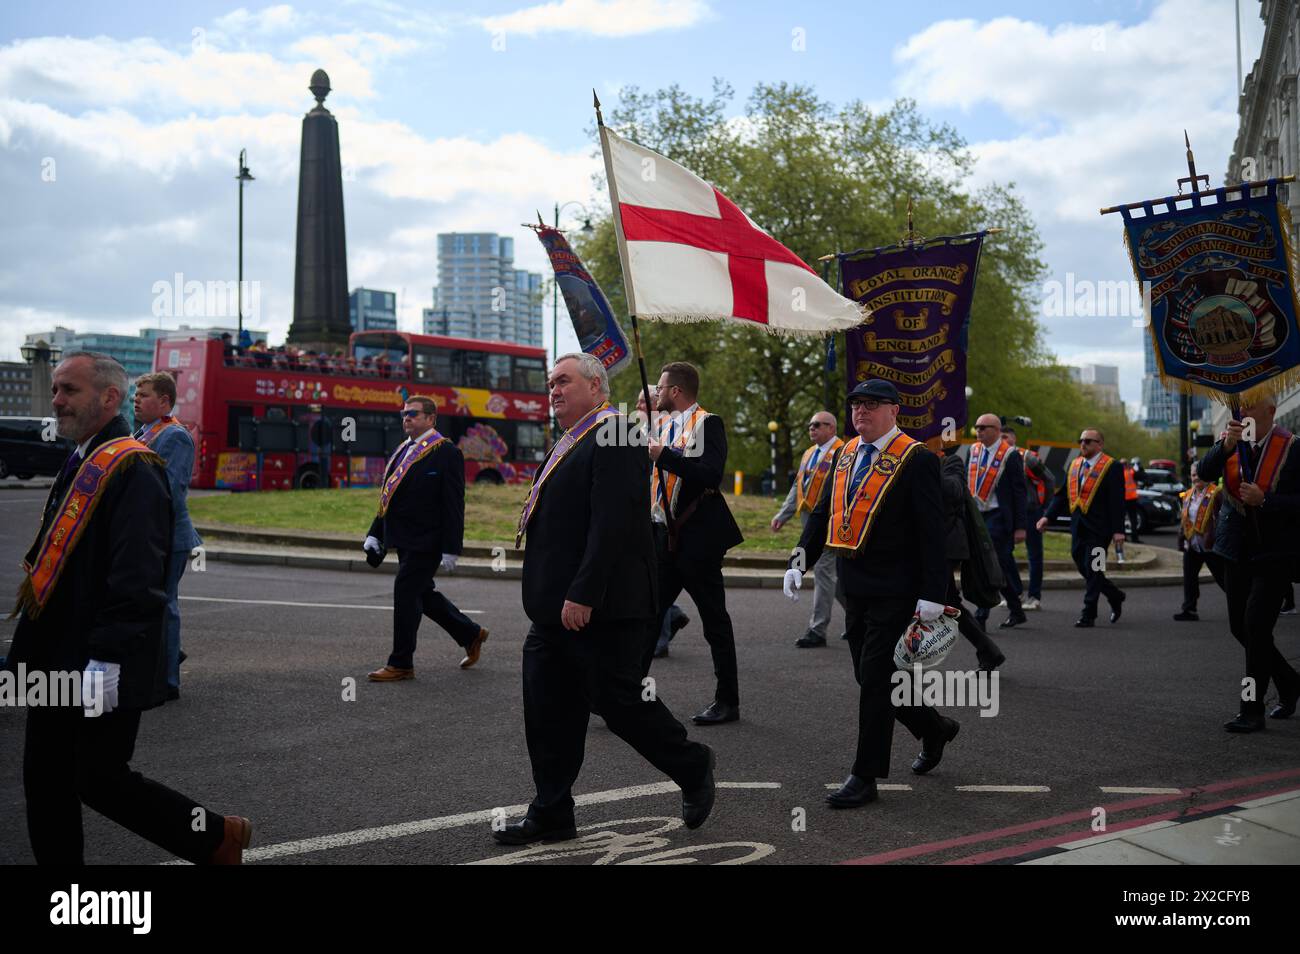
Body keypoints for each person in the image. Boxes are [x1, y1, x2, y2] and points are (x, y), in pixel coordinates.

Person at [4, 352, 251, 864]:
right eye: (55, 389)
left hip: (96, 657)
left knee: (98, 779)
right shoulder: (85, 455)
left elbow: (138, 576)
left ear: (107, 397)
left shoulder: (132, 466)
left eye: (69, 390)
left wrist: (106, 658)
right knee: (47, 779)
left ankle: (214, 837)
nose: (56, 401)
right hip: (58, 652)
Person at [496, 353, 715, 845]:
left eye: (564, 381)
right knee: (548, 710)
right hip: (552, 611)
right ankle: (552, 811)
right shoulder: (573, 440)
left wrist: (583, 591)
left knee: (619, 704)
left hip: (601, 607)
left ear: (596, 387)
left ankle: (693, 764)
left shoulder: (617, 434)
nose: (553, 390)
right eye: (550, 383)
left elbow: (612, 521)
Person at [784, 379, 957, 809]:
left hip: (897, 589)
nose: (860, 412)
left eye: (871, 405)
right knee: (873, 677)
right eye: (856, 405)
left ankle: (865, 776)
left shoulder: (915, 459)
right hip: (855, 587)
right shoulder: (845, 453)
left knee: (875, 681)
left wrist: (934, 592)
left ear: (894, 411)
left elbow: (932, 531)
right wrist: (799, 559)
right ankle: (934, 728)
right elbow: (824, 512)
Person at [645, 361, 744, 725]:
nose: (655, 393)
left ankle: (727, 700)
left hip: (697, 540)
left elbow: (710, 475)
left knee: (714, 621)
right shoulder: (661, 425)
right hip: (663, 539)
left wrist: (664, 456)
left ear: (675, 392)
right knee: (647, 617)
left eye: (660, 387)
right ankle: (627, 696)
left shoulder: (707, 423)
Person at [363, 396, 487, 681]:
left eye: (413, 414)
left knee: (406, 592)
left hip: (428, 540)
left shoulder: (446, 453)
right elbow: (389, 497)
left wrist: (451, 548)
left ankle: (401, 663)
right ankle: (470, 633)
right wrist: (375, 532)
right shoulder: (403, 450)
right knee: (423, 595)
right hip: (403, 538)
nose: (406, 418)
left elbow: (454, 504)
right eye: (404, 413)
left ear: (431, 419)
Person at [1197, 399, 1300, 730]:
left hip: (1274, 551)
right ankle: (1288, 681)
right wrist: (1226, 445)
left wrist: (1265, 500)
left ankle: (1251, 709)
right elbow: (1204, 472)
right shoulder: (1232, 442)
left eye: (1252, 407)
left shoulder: (1293, 447)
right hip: (1235, 548)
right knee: (1239, 627)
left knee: (1256, 626)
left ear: (1271, 411)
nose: (1243, 414)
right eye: (1239, 409)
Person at [132, 372, 203, 700]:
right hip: (151, 534)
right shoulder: (144, 432)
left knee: (165, 605)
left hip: (167, 536)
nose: (136, 399)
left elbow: (170, 490)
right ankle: (166, 657)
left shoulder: (173, 436)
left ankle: (168, 680)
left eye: (144, 395)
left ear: (164, 401)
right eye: (135, 394)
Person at [771, 410, 848, 648]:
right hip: (810, 523)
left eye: (817, 425)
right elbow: (798, 487)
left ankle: (817, 629)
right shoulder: (809, 453)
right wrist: (783, 515)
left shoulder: (844, 452)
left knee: (824, 573)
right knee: (835, 577)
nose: (811, 429)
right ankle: (860, 617)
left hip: (833, 523)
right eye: (810, 425)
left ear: (832, 428)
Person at [1036, 427, 1127, 628]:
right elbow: (1062, 496)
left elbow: (1117, 501)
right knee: (1082, 564)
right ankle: (1115, 594)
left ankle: (1089, 613)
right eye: (1081, 440)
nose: (1083, 444)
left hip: (1101, 529)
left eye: (1088, 441)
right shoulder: (1075, 465)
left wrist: (1118, 530)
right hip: (1078, 526)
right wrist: (1047, 517)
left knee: (1094, 568)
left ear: (1100, 444)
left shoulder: (1111, 466)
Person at [634, 386, 691, 658]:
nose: (640, 406)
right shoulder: (638, 431)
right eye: (637, 403)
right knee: (645, 578)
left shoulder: (669, 432)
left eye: (646, 402)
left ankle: (660, 638)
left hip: (662, 517)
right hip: (641, 512)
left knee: (655, 580)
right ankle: (675, 614)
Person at [941, 444, 1005, 670]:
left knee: (945, 600)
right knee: (945, 601)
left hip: (945, 544)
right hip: (916, 543)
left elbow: (954, 491)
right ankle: (988, 649)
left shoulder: (950, 460)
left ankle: (987, 649)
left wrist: (926, 468)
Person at [968, 413, 1028, 629]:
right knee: (1000, 566)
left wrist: (1021, 526)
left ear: (996, 430)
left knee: (989, 564)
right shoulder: (973, 451)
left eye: (983, 427)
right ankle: (1016, 608)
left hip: (999, 518)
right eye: (977, 427)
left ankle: (981, 614)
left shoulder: (1010, 455)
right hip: (977, 516)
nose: (979, 431)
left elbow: (1019, 492)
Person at [1003, 426, 1053, 610]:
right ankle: (1015, 592)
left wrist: (1044, 508)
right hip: (1009, 513)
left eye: (1005, 436)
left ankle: (1034, 597)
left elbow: (1049, 479)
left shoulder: (1027, 457)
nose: (1002, 440)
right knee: (1004, 553)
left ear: (1014, 439)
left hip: (1031, 511)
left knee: (1034, 554)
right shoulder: (996, 459)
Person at [1174, 461, 1225, 622]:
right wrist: (1182, 538)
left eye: (1200, 474)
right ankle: (1189, 609)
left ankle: (1243, 603)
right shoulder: (1188, 494)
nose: (1196, 478)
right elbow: (1185, 519)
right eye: (1194, 474)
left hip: (1211, 546)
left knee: (1224, 579)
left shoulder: (1217, 493)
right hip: (1193, 544)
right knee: (1189, 578)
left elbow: (1223, 519)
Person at [1123, 460, 1142, 543]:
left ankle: (1124, 537)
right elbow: (1140, 475)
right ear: (1127, 465)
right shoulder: (1131, 472)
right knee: (1133, 519)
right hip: (1132, 498)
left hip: (1123, 499)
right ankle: (1134, 538)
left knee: (1122, 519)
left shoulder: (1119, 473)